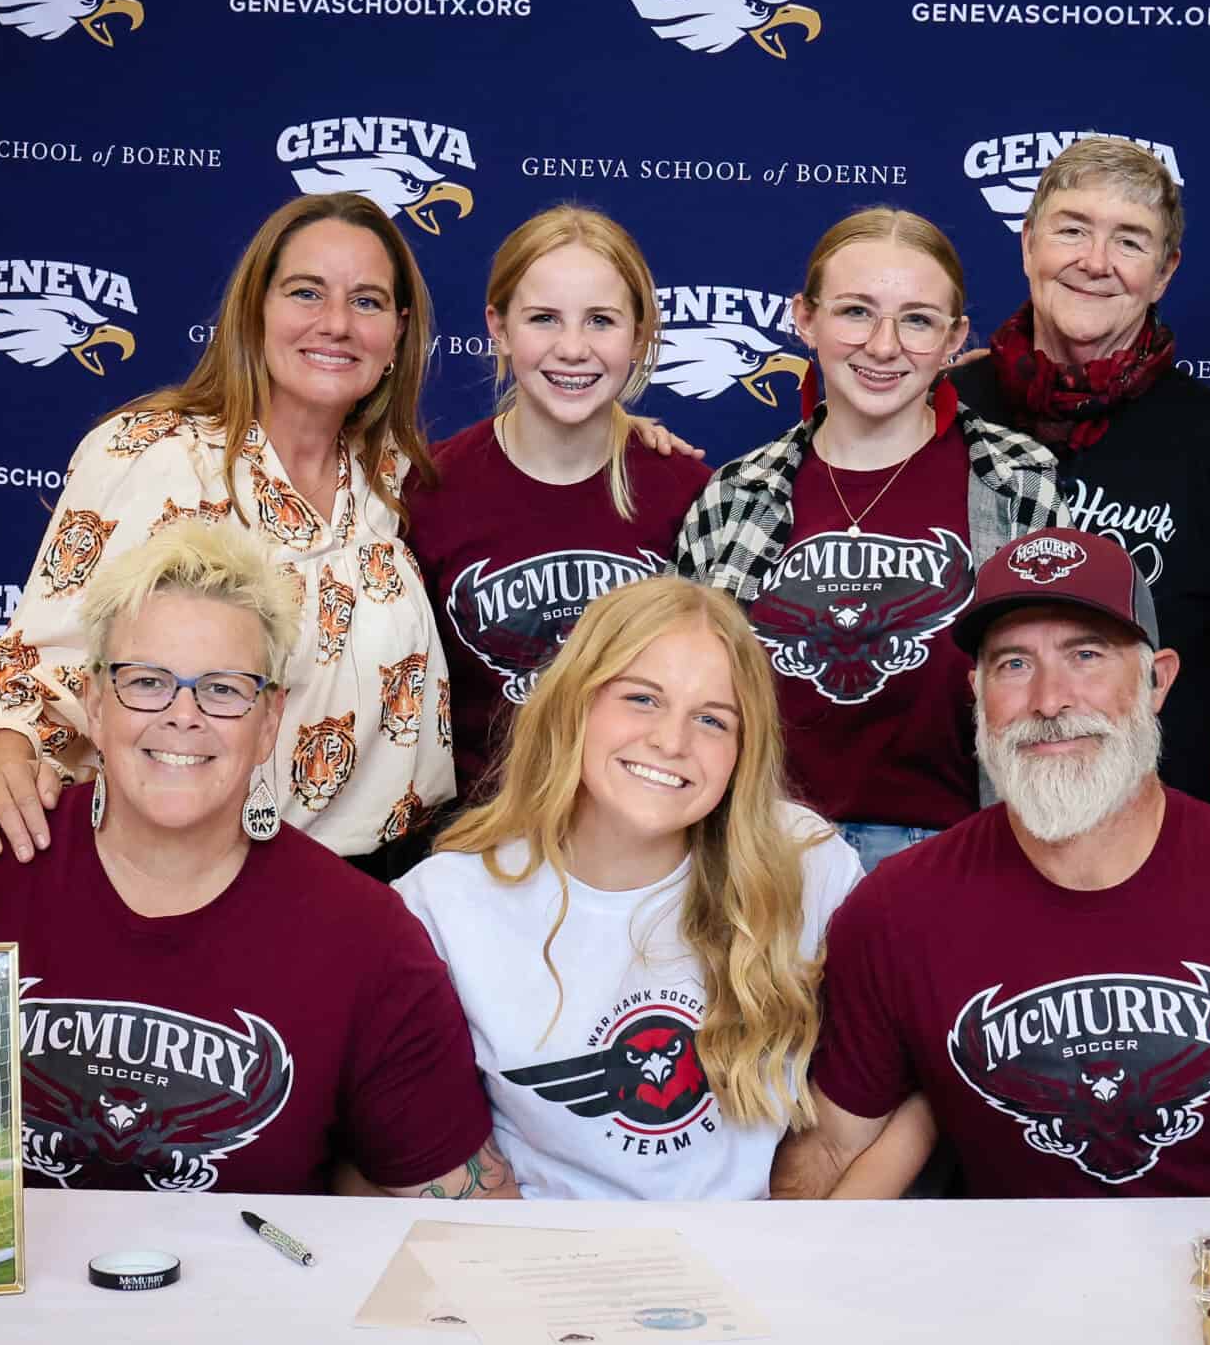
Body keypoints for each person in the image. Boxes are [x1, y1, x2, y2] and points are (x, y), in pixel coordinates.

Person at [0, 521, 514, 1198]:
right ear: (97, 705)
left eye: (223, 689)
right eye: (147, 681)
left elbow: (467, 1216)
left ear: (269, 721)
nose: (182, 714)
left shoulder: (368, 936)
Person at [771, 529, 1210, 1200]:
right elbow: (828, 1145)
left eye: (1086, 655)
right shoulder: (896, 910)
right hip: (1017, 1297)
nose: (1050, 701)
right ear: (977, 691)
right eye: (1014, 665)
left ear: (1157, 679)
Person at [0, 192, 454, 878]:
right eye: (305, 292)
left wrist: (636, 441)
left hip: (389, 879)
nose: (336, 324)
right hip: (207, 877)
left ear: (398, 333)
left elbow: (537, 457)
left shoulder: (392, 476)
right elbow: (37, 668)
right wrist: (3, 761)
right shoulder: (152, 453)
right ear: (255, 311)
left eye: (368, 302)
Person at [397, 576, 921, 1199]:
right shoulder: (444, 903)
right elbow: (397, 1148)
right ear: (575, 702)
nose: (672, 742)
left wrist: (801, 1254)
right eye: (643, 699)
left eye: (712, 719)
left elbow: (921, 1075)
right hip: (539, 1264)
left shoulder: (807, 865)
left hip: (757, 1267)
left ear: (742, 752)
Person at [676, 208, 1068, 871]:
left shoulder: (1019, 484)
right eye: (856, 311)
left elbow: (1059, 697)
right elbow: (685, 704)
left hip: (962, 858)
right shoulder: (734, 496)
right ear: (805, 319)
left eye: (916, 319)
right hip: (767, 859)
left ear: (955, 337)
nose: (884, 346)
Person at [949, 136, 1210, 812]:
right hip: (959, 830)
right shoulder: (942, 409)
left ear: (1165, 271)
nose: (1096, 263)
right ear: (1029, 243)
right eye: (1072, 231)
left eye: (1129, 241)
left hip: (1151, 842)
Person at [406, 206, 711, 800]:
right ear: (499, 328)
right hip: (472, 837)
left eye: (601, 321)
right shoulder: (428, 487)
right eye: (544, 318)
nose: (573, 348)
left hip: (636, 832)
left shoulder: (688, 495)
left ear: (641, 335)